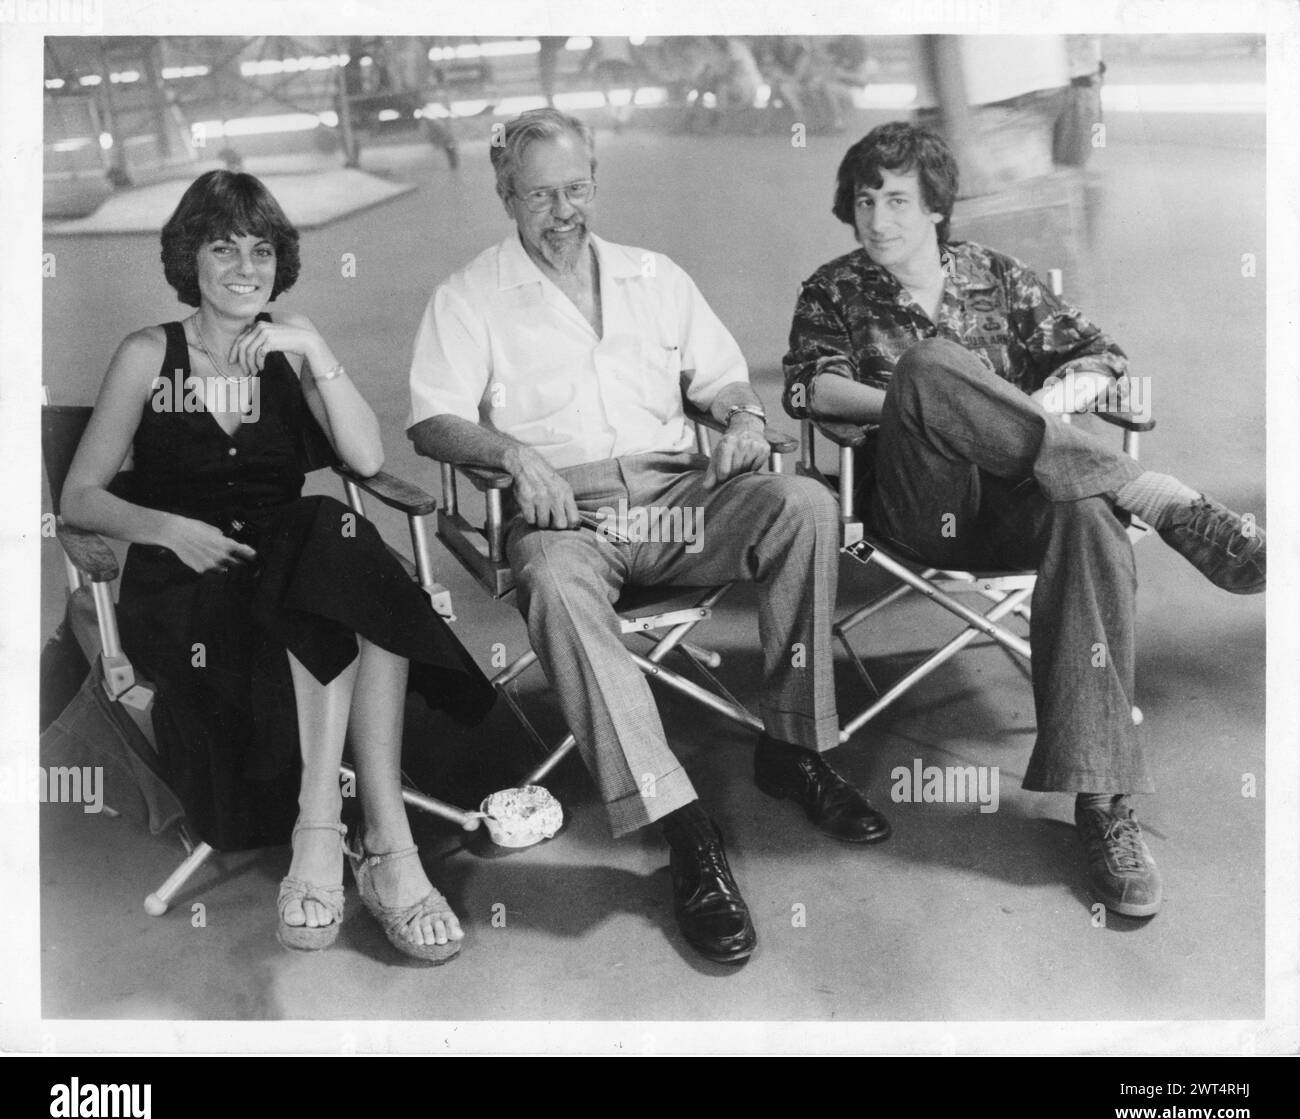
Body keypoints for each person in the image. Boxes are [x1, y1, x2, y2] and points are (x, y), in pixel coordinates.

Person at [406, 109, 886, 966]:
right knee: (553, 583)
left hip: (679, 494)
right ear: (505, 193)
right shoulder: (468, 295)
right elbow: (434, 419)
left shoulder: (651, 276)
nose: (564, 210)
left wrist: (739, 415)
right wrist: (514, 456)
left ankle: (792, 746)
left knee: (804, 504)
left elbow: (724, 379)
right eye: (543, 194)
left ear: (597, 182)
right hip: (567, 515)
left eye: (578, 189)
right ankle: (681, 823)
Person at [783, 121, 1266, 919]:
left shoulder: (995, 277)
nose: (877, 218)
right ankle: (1154, 492)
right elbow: (811, 392)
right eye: (865, 200)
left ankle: (1103, 800)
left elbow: (1100, 355)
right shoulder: (833, 289)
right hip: (916, 506)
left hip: (1016, 502)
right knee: (929, 367)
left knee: (1086, 514)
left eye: (898, 200)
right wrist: (917, 406)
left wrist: (1027, 414)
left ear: (938, 208)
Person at [60, 171, 494, 962]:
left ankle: (327, 828)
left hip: (295, 567)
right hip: (192, 597)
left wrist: (315, 346)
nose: (243, 266)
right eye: (222, 247)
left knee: (324, 535)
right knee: (339, 560)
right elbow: (81, 496)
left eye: (261, 249)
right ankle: (384, 842)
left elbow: (364, 457)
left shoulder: (288, 351)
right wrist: (168, 528)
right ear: (189, 257)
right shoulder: (147, 354)